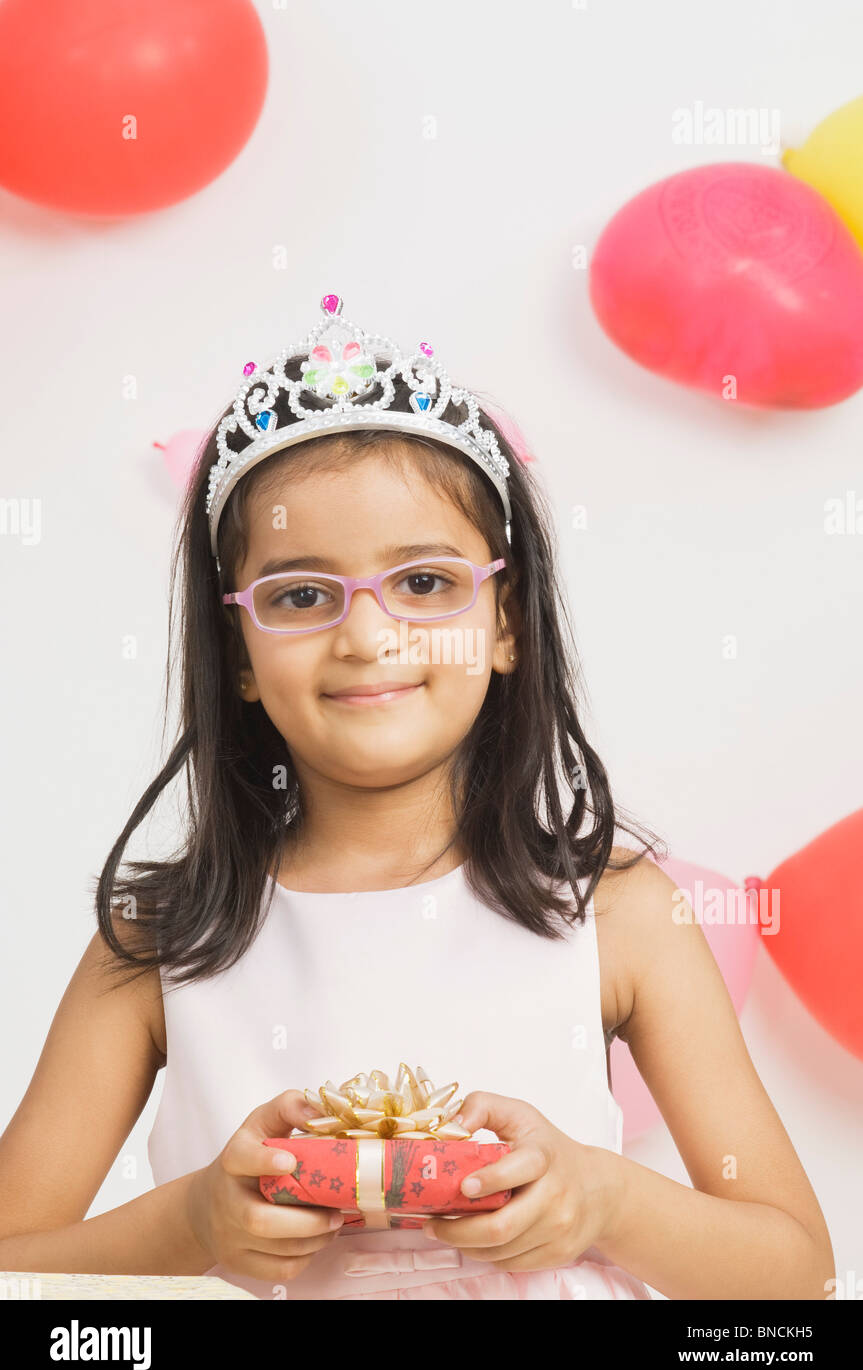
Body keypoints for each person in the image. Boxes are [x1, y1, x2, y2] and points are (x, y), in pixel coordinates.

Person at [0, 295, 834, 1300]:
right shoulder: (157, 943)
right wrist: (191, 1224)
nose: (365, 636)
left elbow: (791, 1273)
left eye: (425, 583)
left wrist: (603, 1200)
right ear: (239, 658)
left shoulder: (616, 910)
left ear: (504, 624)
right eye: (301, 595)